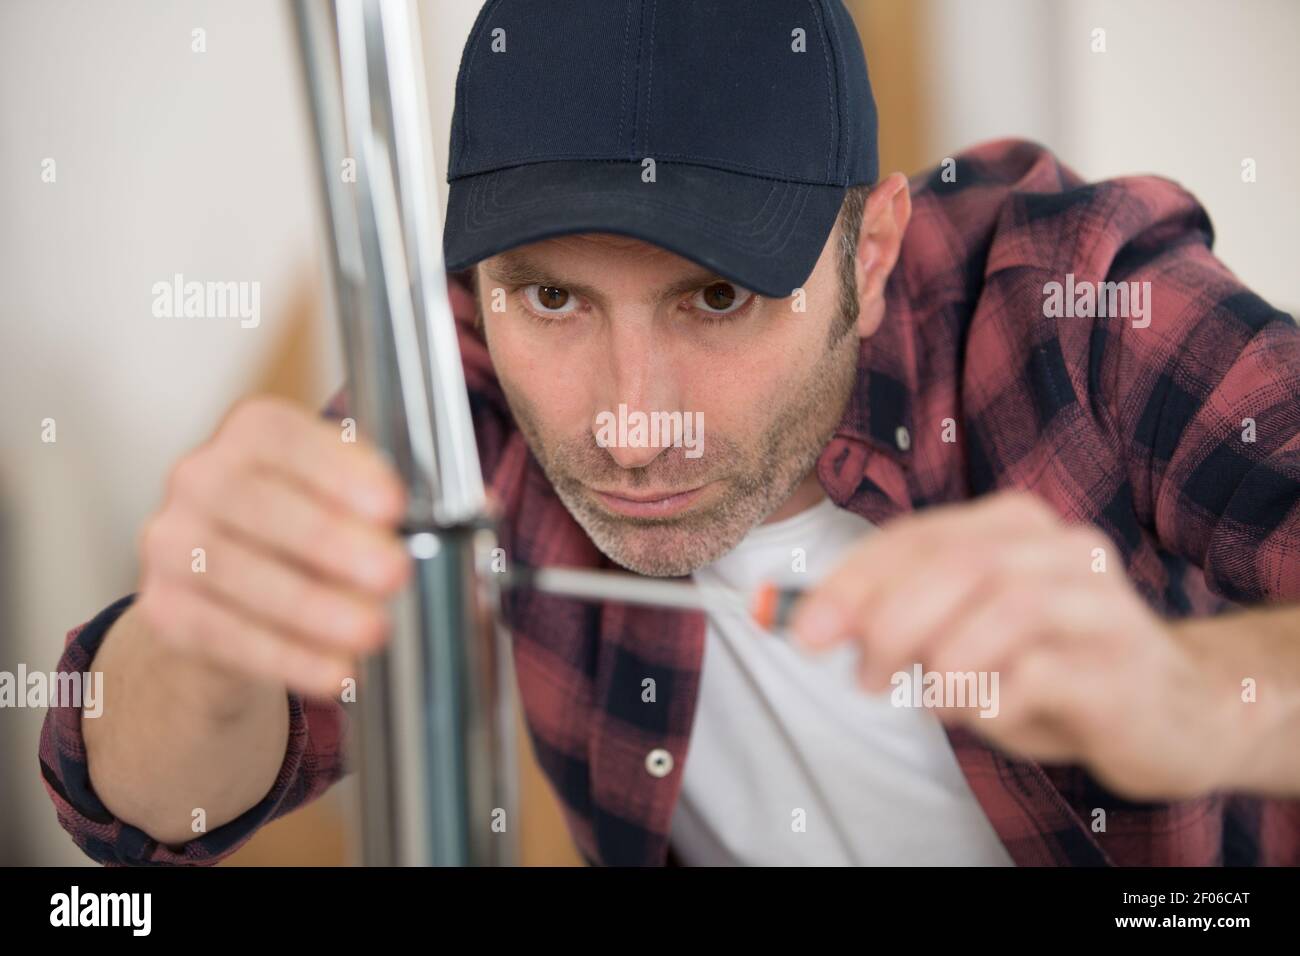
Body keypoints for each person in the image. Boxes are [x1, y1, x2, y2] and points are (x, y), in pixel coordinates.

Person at [40, 0, 1300, 866]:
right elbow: (135, 808)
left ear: (866, 253)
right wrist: (201, 636)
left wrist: (1189, 693)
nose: (629, 426)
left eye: (717, 297)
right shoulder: (461, 387)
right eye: (553, 298)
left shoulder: (1074, 300)